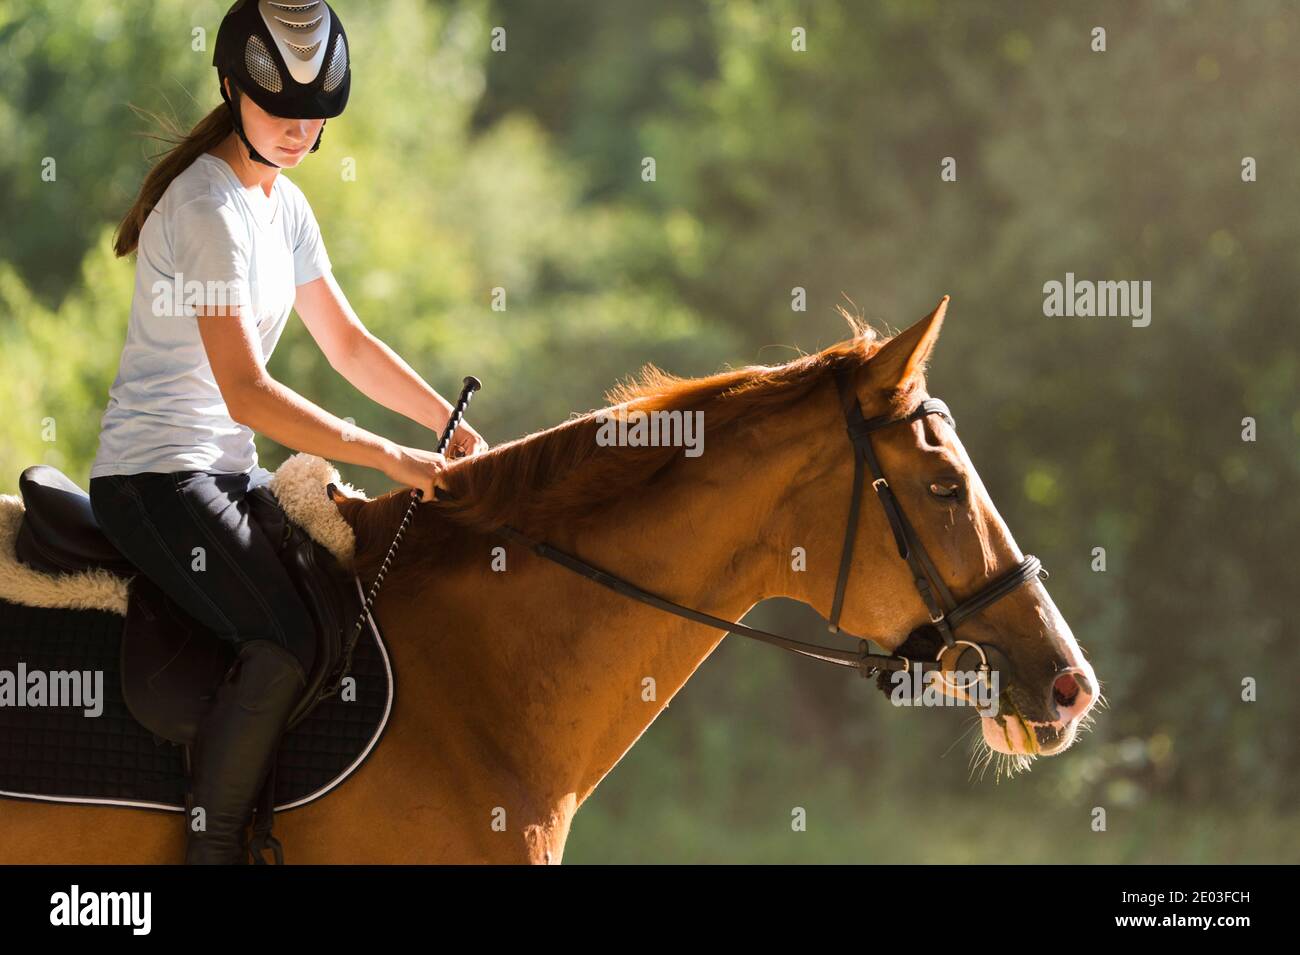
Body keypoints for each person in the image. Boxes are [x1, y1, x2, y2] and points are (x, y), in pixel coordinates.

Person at [88, 0, 488, 864]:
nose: (302, 130)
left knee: (341, 602)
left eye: (317, 115)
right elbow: (247, 392)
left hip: (223, 476)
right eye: (283, 111)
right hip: (155, 479)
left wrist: (446, 428)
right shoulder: (207, 211)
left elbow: (346, 342)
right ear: (232, 88)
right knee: (289, 635)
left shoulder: (284, 203)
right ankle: (215, 845)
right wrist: (387, 454)